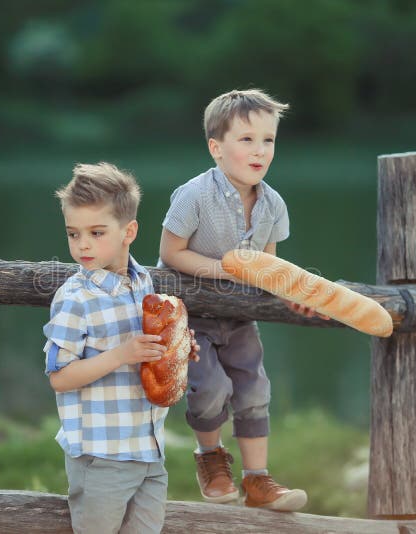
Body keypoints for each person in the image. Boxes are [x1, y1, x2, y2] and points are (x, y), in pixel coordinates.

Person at [158, 89, 322, 512]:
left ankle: (258, 481)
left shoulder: (273, 204)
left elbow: (268, 269)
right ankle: (210, 459)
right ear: (216, 148)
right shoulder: (194, 196)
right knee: (211, 388)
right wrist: (225, 269)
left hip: (240, 319)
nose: (260, 150)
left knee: (253, 390)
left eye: (268, 140)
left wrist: (291, 295)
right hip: (190, 315)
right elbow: (171, 254)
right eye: (246, 139)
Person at [44, 162, 184, 533]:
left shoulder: (145, 284)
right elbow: (59, 377)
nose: (83, 244)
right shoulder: (76, 298)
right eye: (73, 234)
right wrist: (121, 354)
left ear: (129, 231)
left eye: (96, 232)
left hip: (150, 453)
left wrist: (176, 352)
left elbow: (149, 353)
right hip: (101, 457)